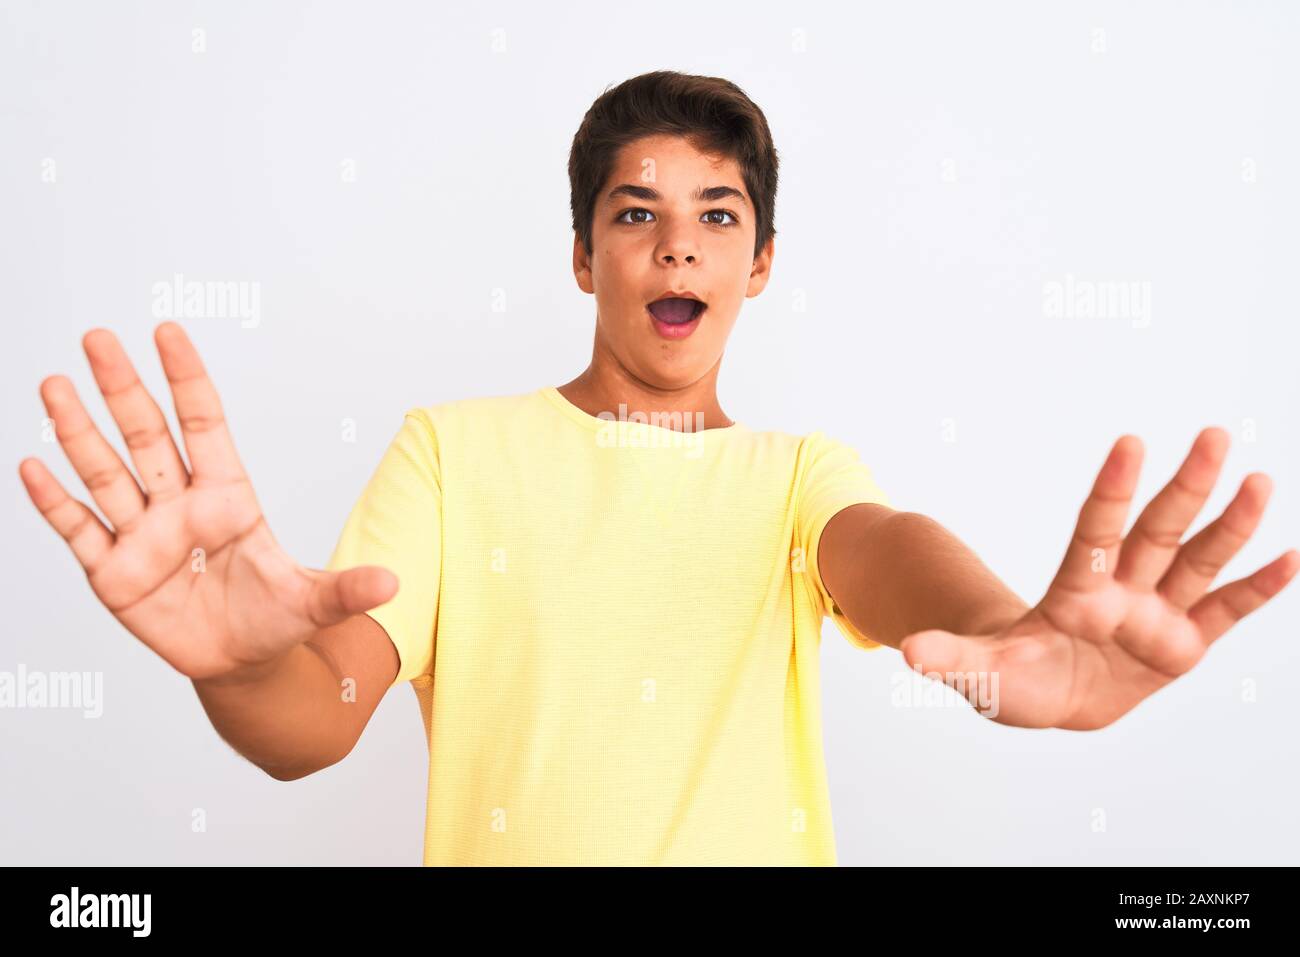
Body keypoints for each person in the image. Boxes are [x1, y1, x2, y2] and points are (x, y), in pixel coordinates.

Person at [18, 70, 1298, 866]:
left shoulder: (798, 478)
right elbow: (314, 723)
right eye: (636, 215)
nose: (675, 249)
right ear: (585, 257)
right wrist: (238, 664)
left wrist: (1016, 638)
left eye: (716, 217)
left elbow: (894, 555)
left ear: (760, 264)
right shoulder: (454, 455)